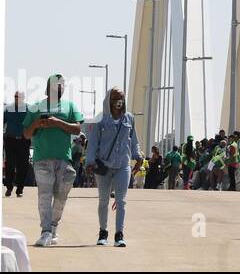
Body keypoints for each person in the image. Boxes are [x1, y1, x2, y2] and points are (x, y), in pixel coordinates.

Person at [24, 73, 84, 247]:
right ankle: (45, 232)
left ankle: (53, 227)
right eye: (56, 84)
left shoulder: (70, 106)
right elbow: (27, 133)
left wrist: (57, 122)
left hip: (64, 158)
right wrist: (37, 124)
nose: (59, 87)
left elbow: (77, 129)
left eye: (62, 84)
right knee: (44, 196)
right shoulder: (36, 107)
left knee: (61, 195)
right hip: (42, 158)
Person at [88, 87, 142, 247]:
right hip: (104, 166)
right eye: (116, 98)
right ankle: (103, 232)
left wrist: (138, 157)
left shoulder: (129, 119)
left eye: (122, 98)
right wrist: (90, 162)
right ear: (109, 100)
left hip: (122, 166)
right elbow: (92, 142)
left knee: (121, 201)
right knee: (103, 200)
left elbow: (134, 140)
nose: (120, 101)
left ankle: (119, 235)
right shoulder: (100, 119)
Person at [4, 90, 31, 197]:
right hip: (10, 140)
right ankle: (9, 187)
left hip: (24, 141)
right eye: (15, 96)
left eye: (18, 96)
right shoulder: (7, 109)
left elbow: (33, 123)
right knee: (9, 164)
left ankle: (19, 189)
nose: (16, 98)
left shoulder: (29, 109)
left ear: (23, 97)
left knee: (23, 166)